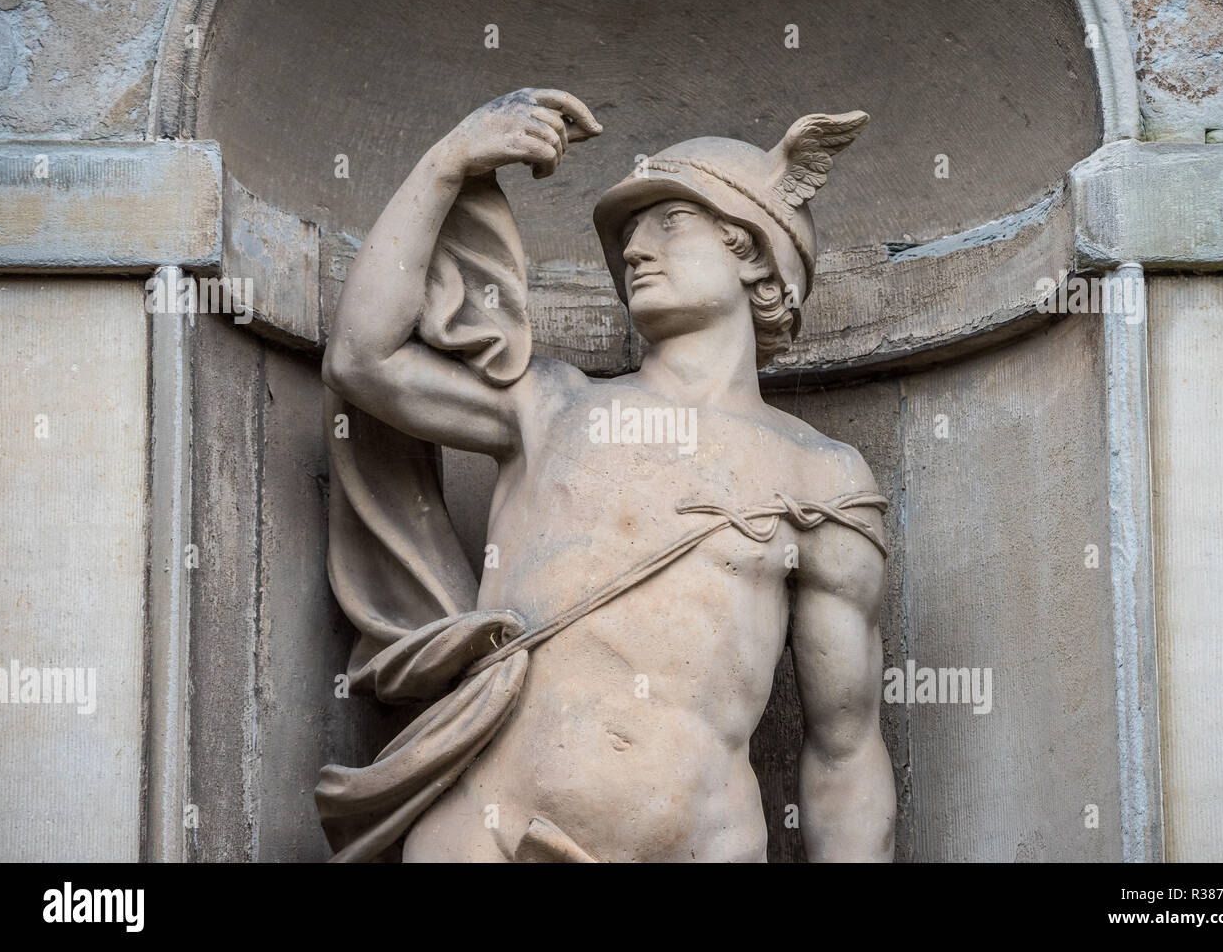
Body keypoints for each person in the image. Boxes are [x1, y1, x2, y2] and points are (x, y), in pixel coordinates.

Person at [319, 87, 894, 862]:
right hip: (484, 836)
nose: (634, 248)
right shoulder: (550, 407)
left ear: (752, 251)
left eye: (671, 221)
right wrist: (447, 162)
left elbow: (845, 750)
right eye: (628, 231)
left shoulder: (820, 477)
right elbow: (364, 358)